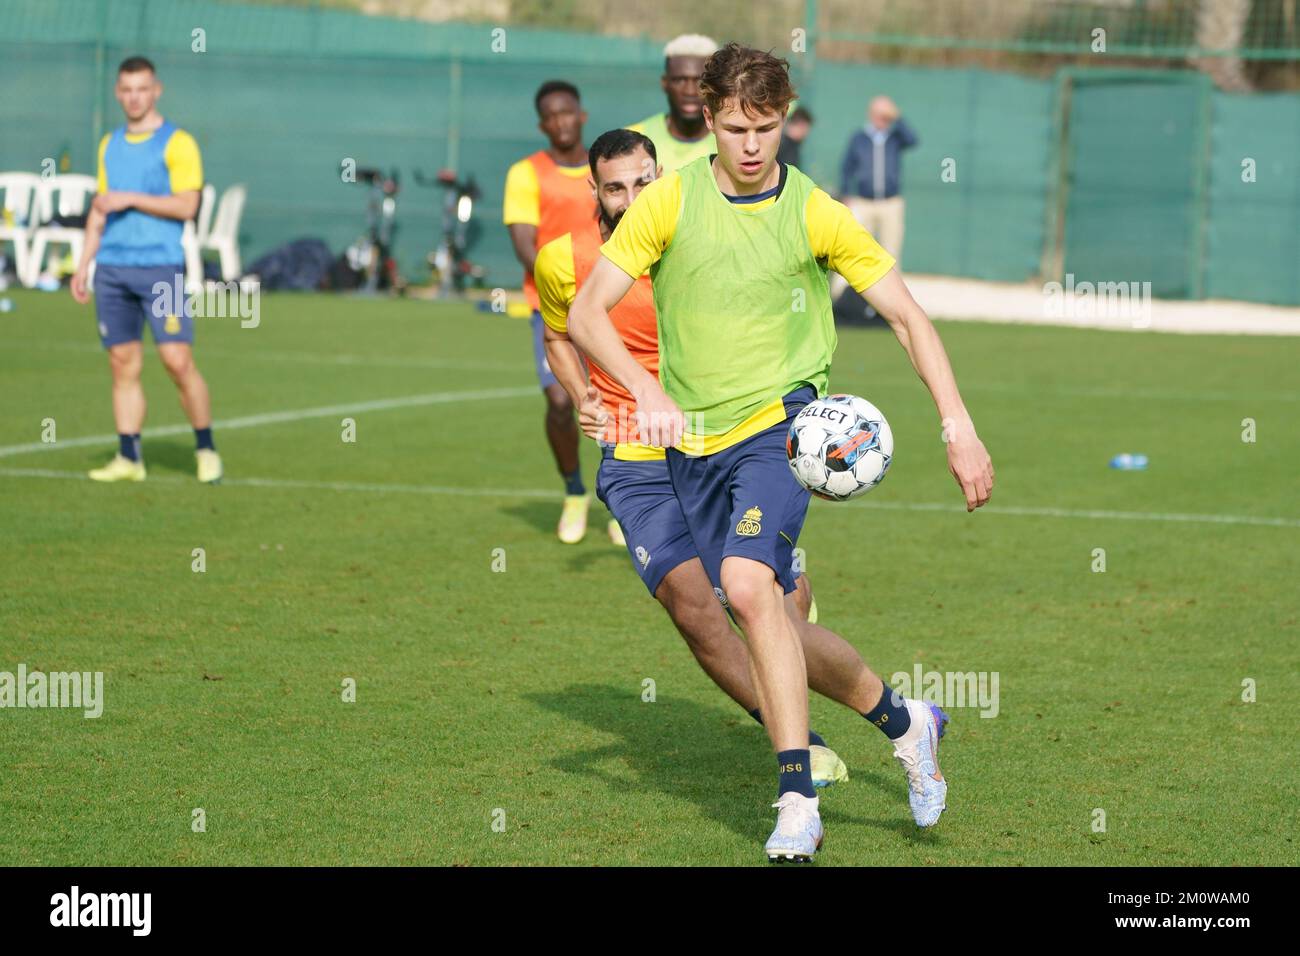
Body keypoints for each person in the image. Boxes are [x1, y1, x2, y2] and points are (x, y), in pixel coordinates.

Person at [568, 44, 994, 863]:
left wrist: (957, 424)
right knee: (768, 622)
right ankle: (907, 722)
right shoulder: (671, 201)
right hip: (693, 440)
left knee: (745, 584)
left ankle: (796, 796)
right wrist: (644, 390)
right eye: (735, 127)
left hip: (784, 427)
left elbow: (908, 316)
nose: (753, 145)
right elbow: (588, 313)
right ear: (709, 118)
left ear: (786, 118)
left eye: (767, 127)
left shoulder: (814, 210)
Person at [540, 127, 915, 790]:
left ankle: (892, 715)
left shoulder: (700, 235)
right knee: (693, 608)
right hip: (634, 456)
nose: (630, 198)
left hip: (722, 441)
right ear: (593, 190)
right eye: (614, 186)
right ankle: (801, 745)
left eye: (642, 182)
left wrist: (801, 422)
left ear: (662, 178)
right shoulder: (564, 260)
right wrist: (582, 396)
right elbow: (559, 328)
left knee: (764, 606)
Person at [71, 55, 222, 484]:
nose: (134, 97)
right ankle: (129, 457)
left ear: (157, 91)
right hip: (113, 270)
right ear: (118, 93)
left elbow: (187, 205)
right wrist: (83, 264)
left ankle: (206, 447)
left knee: (176, 360)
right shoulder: (109, 145)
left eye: (142, 88)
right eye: (126, 89)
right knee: (122, 363)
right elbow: (101, 209)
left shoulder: (178, 143)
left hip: (162, 268)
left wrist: (131, 198)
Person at [503, 80, 615, 544]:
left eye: (567, 112)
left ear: (581, 115)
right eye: (550, 115)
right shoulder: (526, 173)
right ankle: (574, 491)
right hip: (552, 309)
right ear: (542, 124)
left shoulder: (605, 168)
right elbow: (527, 247)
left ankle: (622, 503)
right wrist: (568, 293)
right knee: (559, 401)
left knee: (617, 403)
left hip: (610, 306)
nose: (560, 121)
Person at [838, 94, 917, 265]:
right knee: (854, 250)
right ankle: (843, 291)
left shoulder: (895, 138)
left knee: (892, 254)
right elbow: (846, 167)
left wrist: (897, 115)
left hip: (891, 203)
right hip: (863, 202)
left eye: (886, 115)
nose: (883, 119)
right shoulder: (859, 138)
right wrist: (845, 194)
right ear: (871, 114)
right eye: (879, 114)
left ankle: (890, 292)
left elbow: (913, 140)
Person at [626, 34, 719, 172]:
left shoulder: (732, 141)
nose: (690, 91)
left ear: (715, 85)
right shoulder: (632, 141)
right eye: (679, 80)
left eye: (700, 81)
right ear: (665, 83)